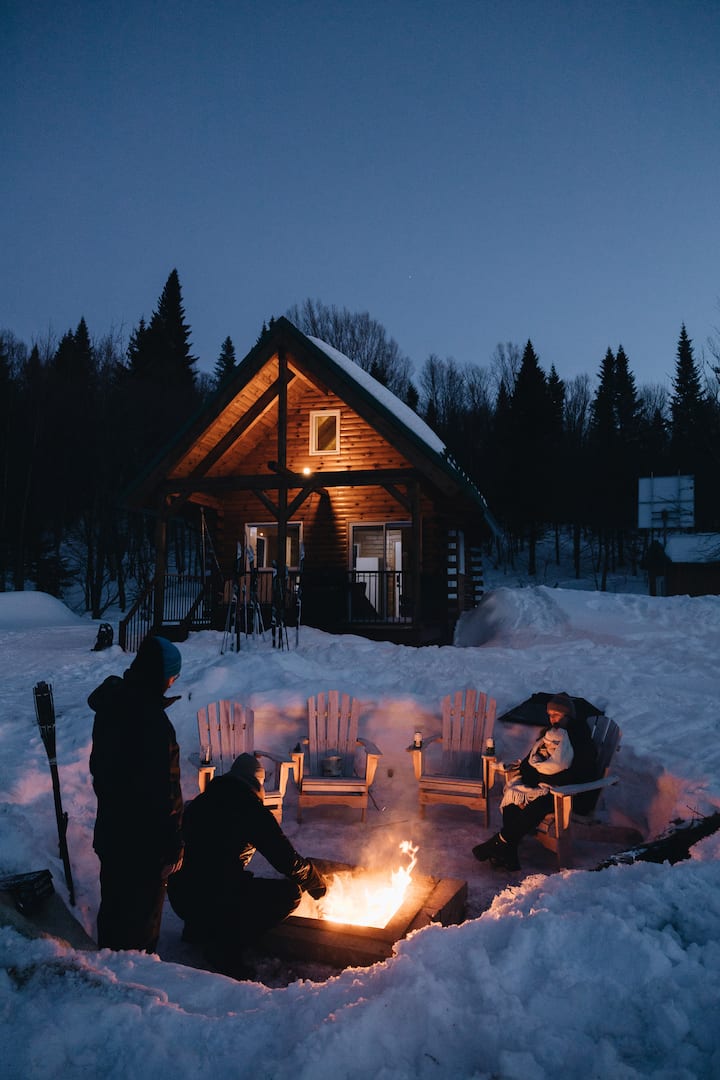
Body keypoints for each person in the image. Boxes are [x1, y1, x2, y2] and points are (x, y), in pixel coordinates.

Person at [167, 752, 328, 978]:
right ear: (257, 783)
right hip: (212, 899)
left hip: (181, 898)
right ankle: (225, 948)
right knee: (289, 894)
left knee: (215, 876)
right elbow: (285, 859)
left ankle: (199, 929)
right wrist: (313, 879)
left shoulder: (201, 801)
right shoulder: (250, 808)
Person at [89, 634, 184, 952]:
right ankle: (136, 991)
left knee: (114, 917)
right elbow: (163, 792)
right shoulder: (154, 723)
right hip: (144, 848)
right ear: (162, 675)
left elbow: (100, 771)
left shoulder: (112, 707)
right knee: (140, 931)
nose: (172, 683)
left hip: (112, 835)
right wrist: (172, 844)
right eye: (172, 676)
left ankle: (106, 984)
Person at [473, 693, 596, 871]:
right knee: (514, 795)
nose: (551, 718)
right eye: (549, 714)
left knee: (539, 802)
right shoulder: (548, 736)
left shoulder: (580, 740)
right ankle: (509, 852)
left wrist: (545, 778)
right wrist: (533, 774)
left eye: (556, 714)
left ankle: (498, 843)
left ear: (568, 715)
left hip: (571, 794)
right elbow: (529, 762)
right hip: (547, 788)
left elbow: (581, 772)